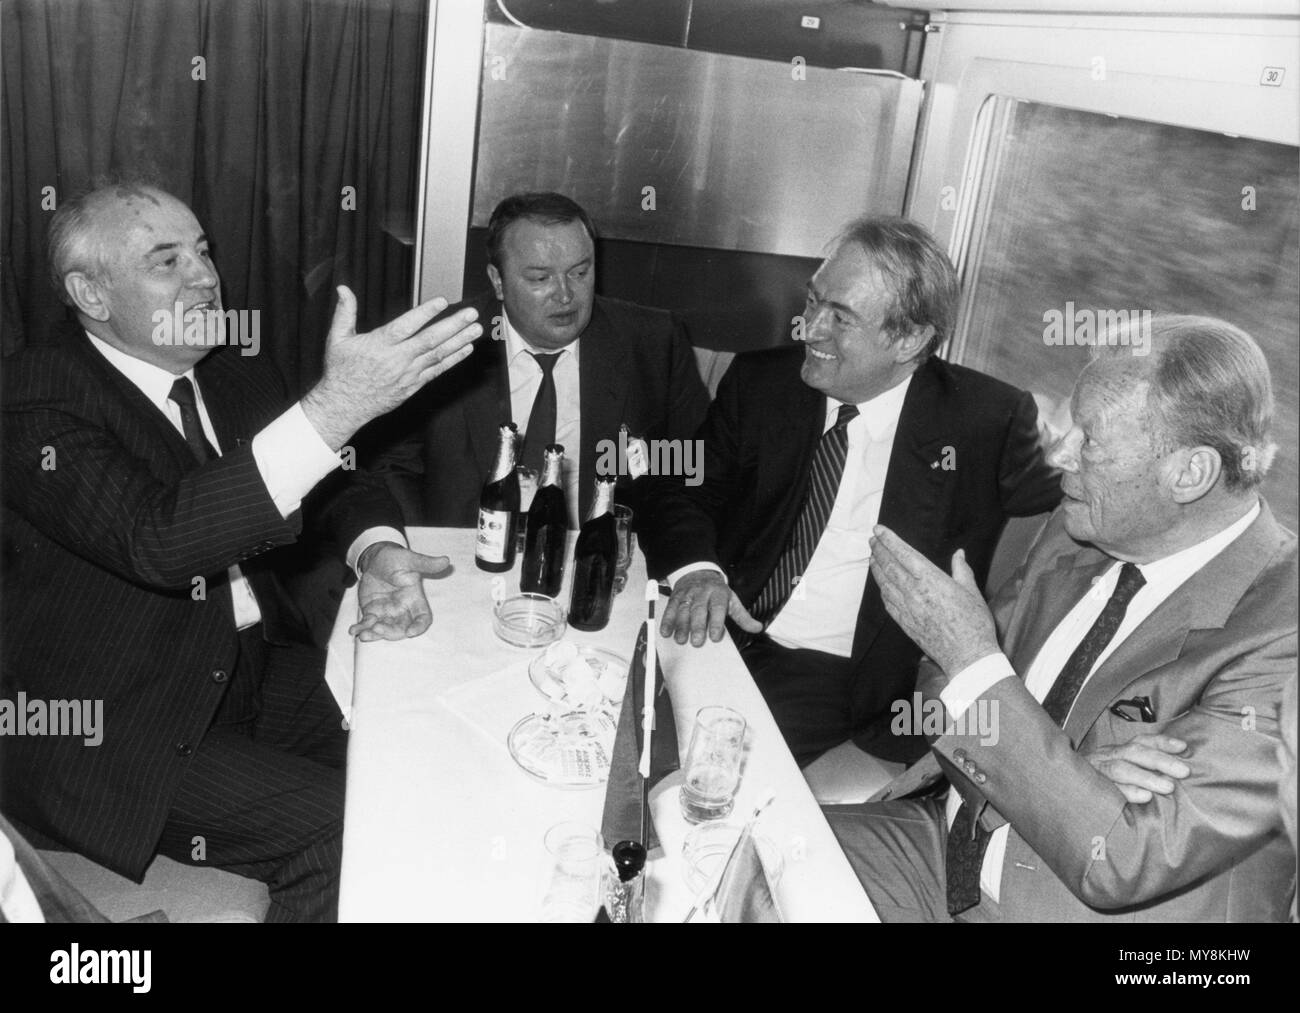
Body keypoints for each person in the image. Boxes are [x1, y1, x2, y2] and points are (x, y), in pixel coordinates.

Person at [0, 182, 482, 922]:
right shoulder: (33, 397)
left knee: (420, 744)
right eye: (167, 260)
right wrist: (339, 405)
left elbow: (331, 481)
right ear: (90, 293)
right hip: (111, 723)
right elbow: (158, 539)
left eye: (203, 251)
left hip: (242, 669)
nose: (204, 276)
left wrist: (378, 551)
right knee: (338, 827)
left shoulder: (231, 371)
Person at [826, 314, 1295, 922]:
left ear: (1189, 473)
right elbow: (941, 680)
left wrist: (994, 699)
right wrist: (1063, 776)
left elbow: (1125, 856)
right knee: (738, 848)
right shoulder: (1077, 529)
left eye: (1090, 439)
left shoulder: (1282, 630)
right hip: (943, 849)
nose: (1058, 452)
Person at [638, 216, 1061, 767]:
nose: (808, 330)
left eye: (840, 318)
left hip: (839, 672)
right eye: (813, 302)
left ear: (909, 338)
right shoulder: (762, 383)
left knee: (679, 773)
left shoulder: (988, 421)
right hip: (719, 624)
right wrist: (698, 571)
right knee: (593, 718)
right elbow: (680, 488)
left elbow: (1077, 505)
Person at [368, 191, 710, 529]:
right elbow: (389, 469)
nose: (565, 295)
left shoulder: (652, 342)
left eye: (579, 273)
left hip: (598, 561)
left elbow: (694, 468)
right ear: (498, 281)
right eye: (540, 278)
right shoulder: (442, 346)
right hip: (470, 559)